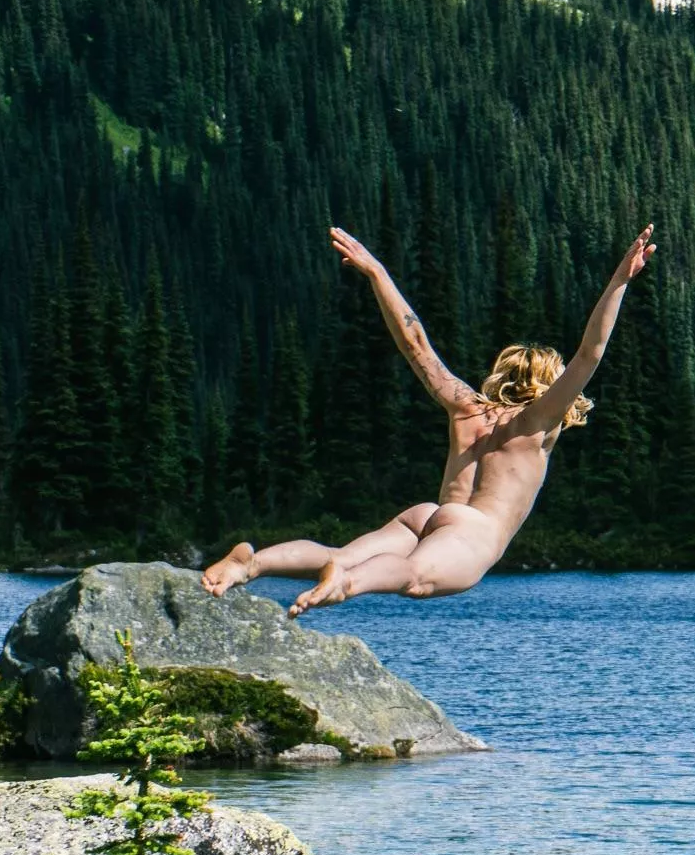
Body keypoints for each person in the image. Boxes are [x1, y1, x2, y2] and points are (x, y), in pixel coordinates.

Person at [203, 221, 655, 612]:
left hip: (427, 514)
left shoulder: (466, 407)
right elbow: (590, 353)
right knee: (414, 575)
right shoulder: (538, 421)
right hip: (473, 532)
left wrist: (377, 272)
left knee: (339, 552)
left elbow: (414, 343)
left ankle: (252, 563)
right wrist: (619, 281)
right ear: (547, 384)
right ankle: (347, 583)